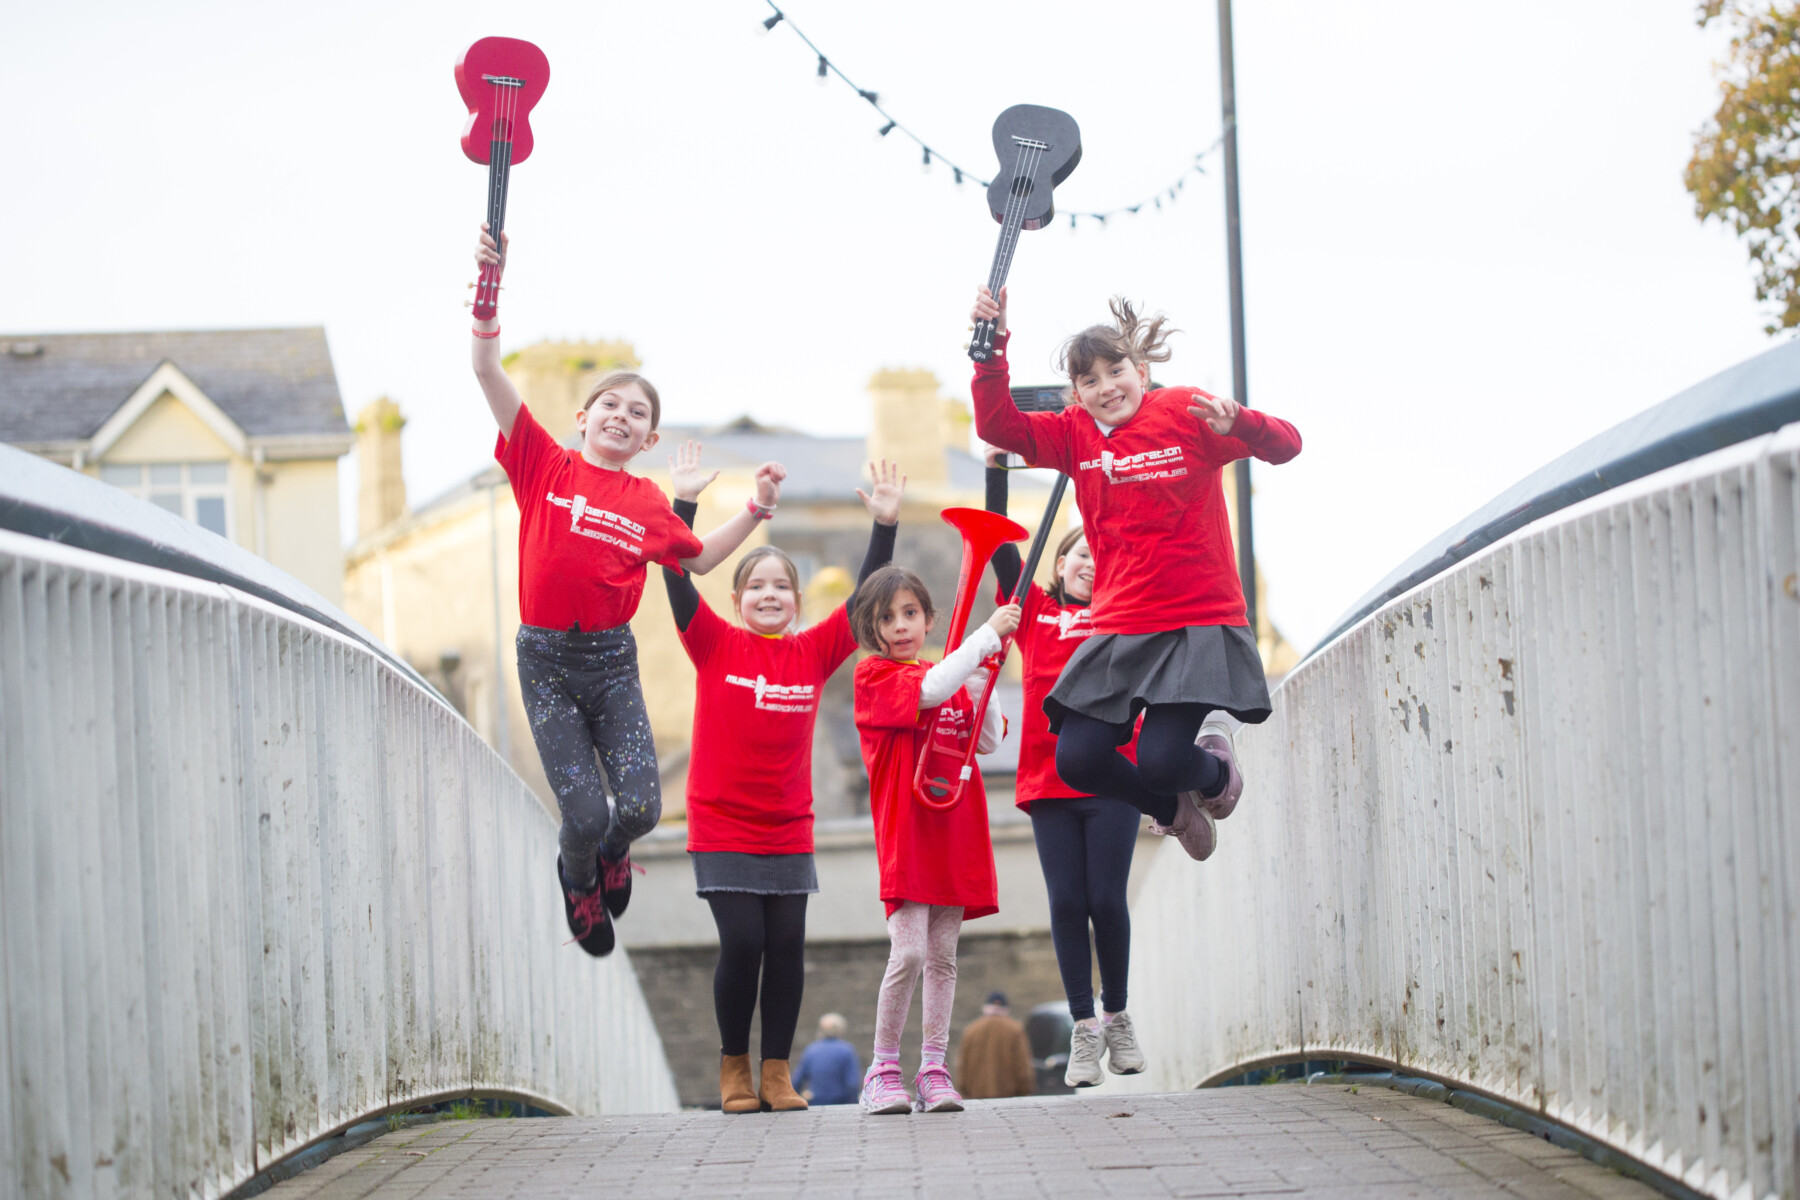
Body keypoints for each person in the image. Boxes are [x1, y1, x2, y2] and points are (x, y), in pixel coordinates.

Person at [471, 223, 783, 958]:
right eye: (610, 405)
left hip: (611, 665)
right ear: (583, 418)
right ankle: (579, 878)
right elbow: (486, 368)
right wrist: (489, 287)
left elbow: (700, 562)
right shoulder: (543, 464)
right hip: (547, 663)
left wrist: (756, 508)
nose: (622, 416)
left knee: (639, 809)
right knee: (581, 814)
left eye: (638, 414)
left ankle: (615, 851)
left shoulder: (646, 502)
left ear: (649, 440)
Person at [968, 286, 1302, 863]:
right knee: (1077, 758)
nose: (1106, 387)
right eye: (1089, 380)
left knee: (1163, 760)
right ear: (1077, 394)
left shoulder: (1186, 412)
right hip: (1122, 628)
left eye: (1116, 371)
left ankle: (1215, 771)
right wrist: (990, 349)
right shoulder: (1073, 433)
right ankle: (1171, 810)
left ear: (1141, 372)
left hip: (1196, 622)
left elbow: (1287, 445)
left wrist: (1242, 423)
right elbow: (999, 426)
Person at [662, 459, 905, 1113]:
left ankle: (776, 1073)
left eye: (781, 586)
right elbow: (675, 570)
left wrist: (884, 525)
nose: (769, 595)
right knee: (743, 943)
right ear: (736, 600)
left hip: (788, 825)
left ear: (797, 601)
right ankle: (733, 1069)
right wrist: (686, 504)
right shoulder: (712, 643)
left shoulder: (813, 652)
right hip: (722, 823)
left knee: (788, 947)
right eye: (756, 586)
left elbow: (864, 600)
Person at [983, 453, 1146, 1086]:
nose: (1090, 563)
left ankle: (1117, 1015)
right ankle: (1083, 1027)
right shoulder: (1034, 612)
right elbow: (998, 544)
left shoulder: (1126, 614)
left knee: (1106, 898)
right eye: (1080, 553)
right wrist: (997, 470)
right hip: (1047, 781)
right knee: (1068, 901)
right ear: (1057, 564)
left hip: (1113, 774)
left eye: (1101, 555)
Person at [850, 565, 1019, 1114]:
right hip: (908, 835)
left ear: (928, 620)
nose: (900, 626)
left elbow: (987, 740)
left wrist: (985, 679)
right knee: (910, 952)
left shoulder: (947, 671)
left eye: (910, 614)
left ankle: (932, 1069)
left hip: (955, 831)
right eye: (887, 618)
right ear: (871, 628)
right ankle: (882, 1069)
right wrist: (984, 639)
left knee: (944, 957)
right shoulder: (874, 675)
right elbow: (928, 691)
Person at [955, 992, 1036, 1099]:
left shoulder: (971, 1030)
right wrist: (1025, 1090)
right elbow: (1022, 1065)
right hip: (1008, 1097)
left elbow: (962, 1065)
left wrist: (963, 1089)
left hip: (976, 1096)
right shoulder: (1015, 1030)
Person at [793, 1014, 863, 1106]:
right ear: (841, 1030)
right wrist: (852, 1103)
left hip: (815, 1103)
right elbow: (852, 1083)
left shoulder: (811, 1050)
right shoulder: (847, 1050)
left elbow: (797, 1081)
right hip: (840, 1104)